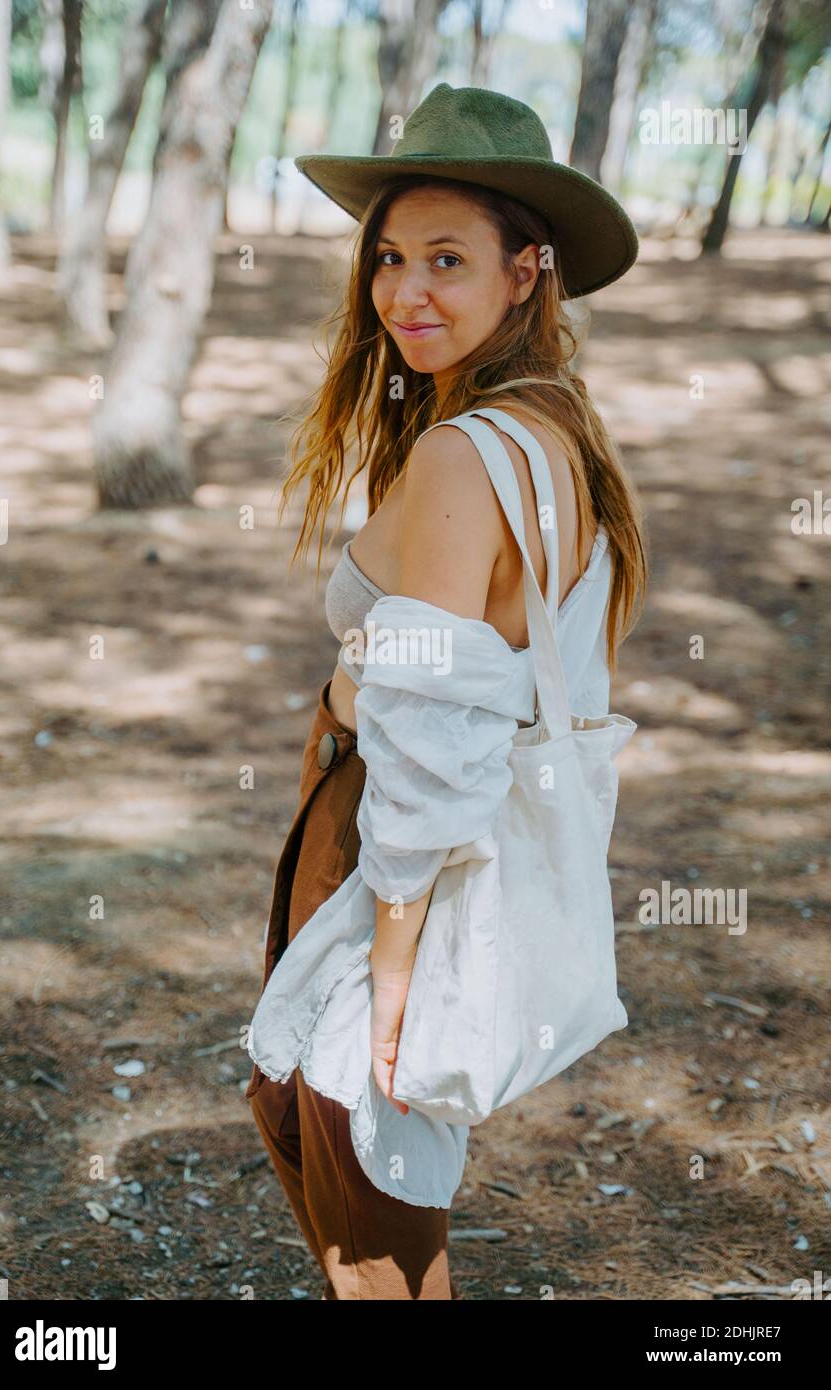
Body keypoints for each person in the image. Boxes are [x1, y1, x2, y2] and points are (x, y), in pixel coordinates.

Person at [244, 83, 647, 1300]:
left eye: (447, 261)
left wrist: (399, 953)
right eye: (389, 258)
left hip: (393, 848)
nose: (404, 292)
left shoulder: (464, 452)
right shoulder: (548, 429)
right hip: (380, 827)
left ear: (526, 273)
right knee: (316, 1128)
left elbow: (429, 728)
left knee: (364, 1175)